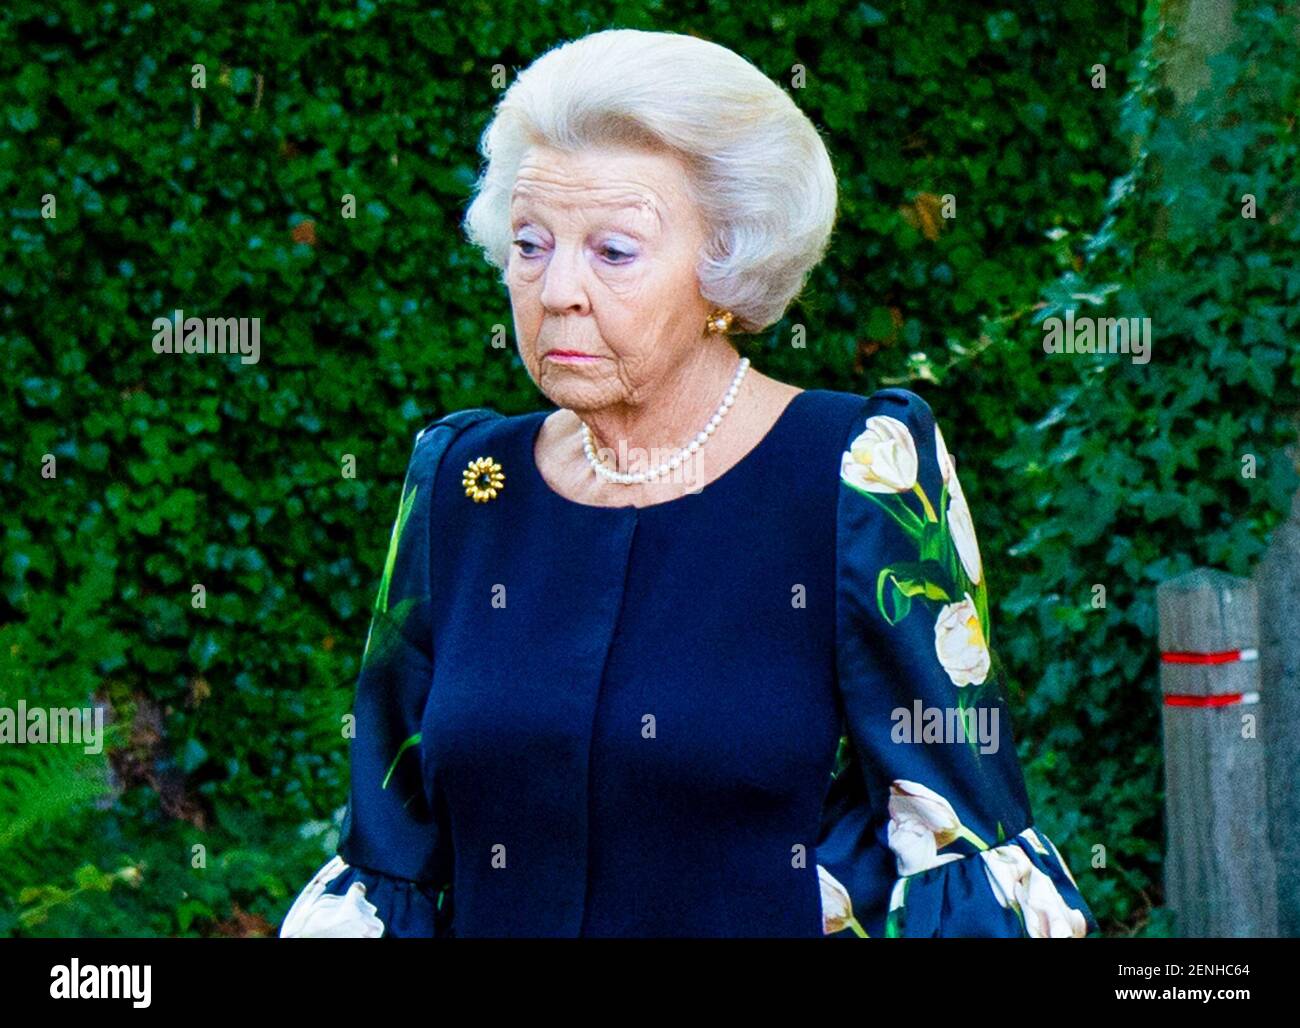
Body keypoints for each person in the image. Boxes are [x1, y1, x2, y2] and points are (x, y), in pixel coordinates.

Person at [279, 28, 1097, 938]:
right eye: (530, 243)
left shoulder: (854, 471)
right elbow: (395, 850)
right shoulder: (464, 483)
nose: (557, 291)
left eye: (614, 251)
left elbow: (954, 836)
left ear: (724, 271)